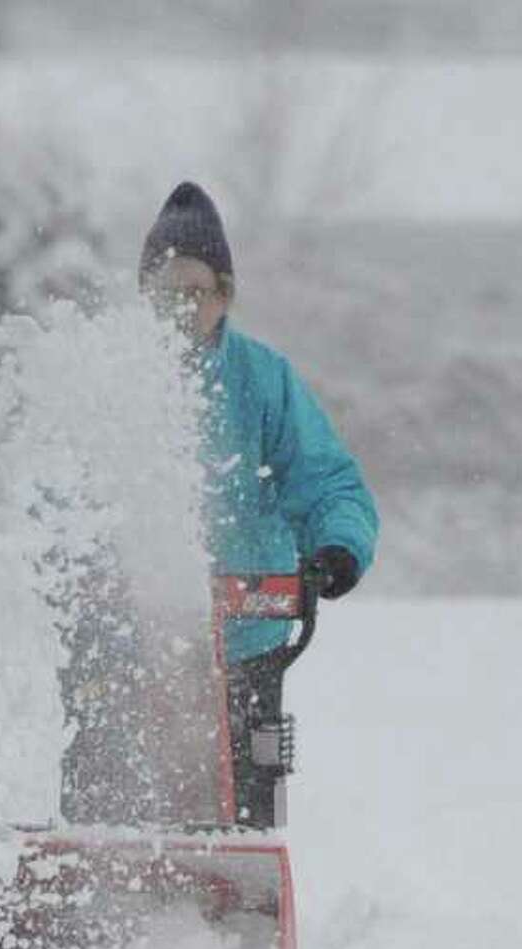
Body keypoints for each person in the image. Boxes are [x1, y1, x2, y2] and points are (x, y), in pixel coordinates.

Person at [138, 179, 380, 828]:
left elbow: (326, 479)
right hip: (136, 634)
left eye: (195, 293)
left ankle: (240, 882)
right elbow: (65, 487)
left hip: (246, 627)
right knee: (118, 774)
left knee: (247, 785)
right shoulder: (114, 379)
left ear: (224, 296)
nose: (180, 309)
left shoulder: (262, 379)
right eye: (165, 294)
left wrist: (336, 551)